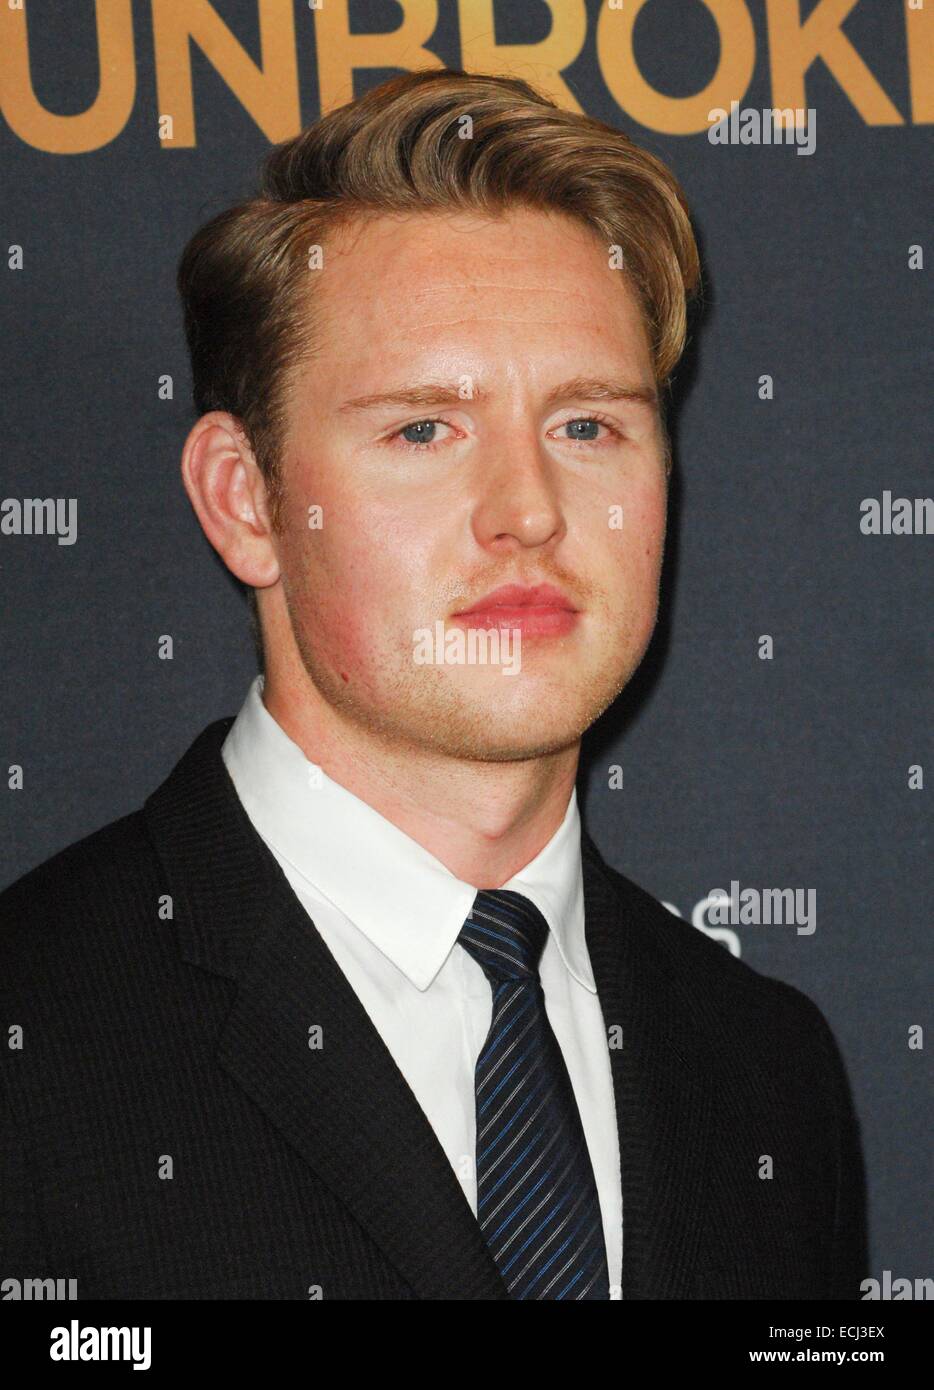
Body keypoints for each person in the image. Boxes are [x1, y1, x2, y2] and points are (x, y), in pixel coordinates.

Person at [0, 68, 866, 1300]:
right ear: (247, 502)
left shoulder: (765, 1069)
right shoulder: (33, 1037)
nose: (527, 512)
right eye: (423, 430)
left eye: (587, 426)